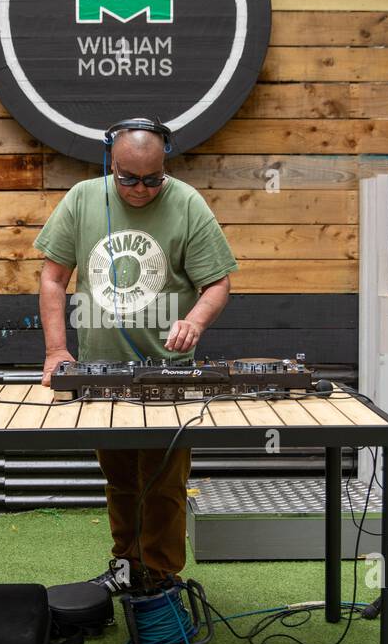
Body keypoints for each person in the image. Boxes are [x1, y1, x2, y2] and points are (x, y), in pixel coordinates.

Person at [33, 119, 238, 595]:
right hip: (101, 374)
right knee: (120, 477)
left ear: (164, 164)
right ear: (111, 161)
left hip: (171, 374)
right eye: (129, 179)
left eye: (152, 179)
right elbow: (52, 278)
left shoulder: (187, 202)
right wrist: (56, 350)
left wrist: (196, 321)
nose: (141, 189)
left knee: (164, 483)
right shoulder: (83, 198)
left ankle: (160, 575)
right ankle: (127, 565)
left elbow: (218, 282)